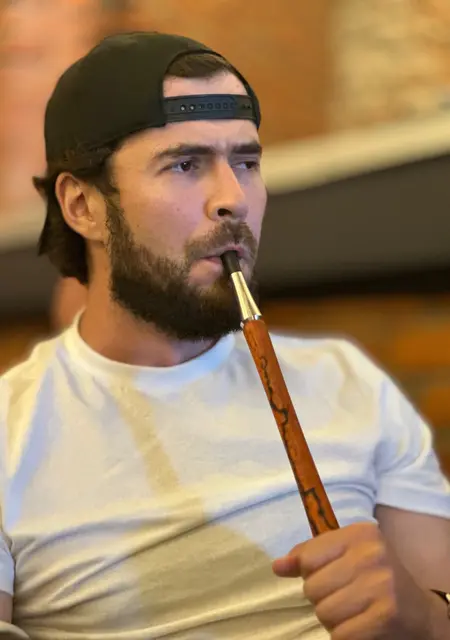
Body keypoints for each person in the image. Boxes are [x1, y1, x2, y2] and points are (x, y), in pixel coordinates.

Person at [0, 31, 449, 640]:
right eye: (185, 165)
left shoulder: (347, 380)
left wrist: (422, 615)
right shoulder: (11, 435)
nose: (233, 199)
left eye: (246, 162)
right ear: (82, 205)